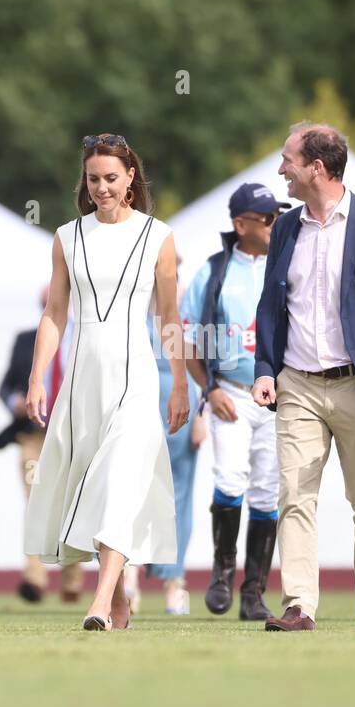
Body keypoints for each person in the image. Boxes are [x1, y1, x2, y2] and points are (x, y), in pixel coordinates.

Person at [253, 123, 355, 632]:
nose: (281, 169)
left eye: (287, 160)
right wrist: (264, 368)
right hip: (297, 383)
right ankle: (299, 606)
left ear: (316, 169)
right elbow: (270, 307)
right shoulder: (284, 227)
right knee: (294, 498)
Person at [23, 133, 189, 631]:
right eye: (94, 179)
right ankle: (117, 599)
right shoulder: (67, 238)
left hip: (137, 373)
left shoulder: (158, 236)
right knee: (91, 485)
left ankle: (98, 604)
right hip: (83, 377)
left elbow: (170, 317)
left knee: (119, 479)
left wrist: (180, 382)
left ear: (131, 176)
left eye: (111, 178)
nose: (102, 188)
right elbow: (55, 314)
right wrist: (37, 378)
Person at [181, 182, 286, 621]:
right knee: (229, 481)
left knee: (267, 493)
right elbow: (188, 342)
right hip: (232, 395)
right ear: (241, 224)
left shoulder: (288, 265)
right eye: (267, 218)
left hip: (281, 397)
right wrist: (211, 390)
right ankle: (223, 575)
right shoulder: (214, 272)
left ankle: (254, 592)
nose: (275, 223)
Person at [0, 288, 85, 604]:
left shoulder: (85, 339)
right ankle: (34, 577)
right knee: (35, 503)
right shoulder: (25, 340)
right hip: (34, 435)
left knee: (71, 503)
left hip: (74, 434)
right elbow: (5, 387)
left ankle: (72, 578)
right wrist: (13, 400)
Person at [147, 254, 205, 616]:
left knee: (179, 496)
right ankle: (127, 579)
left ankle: (175, 582)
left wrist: (203, 412)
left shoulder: (189, 301)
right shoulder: (130, 304)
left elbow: (203, 359)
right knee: (133, 491)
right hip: (140, 396)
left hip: (183, 393)